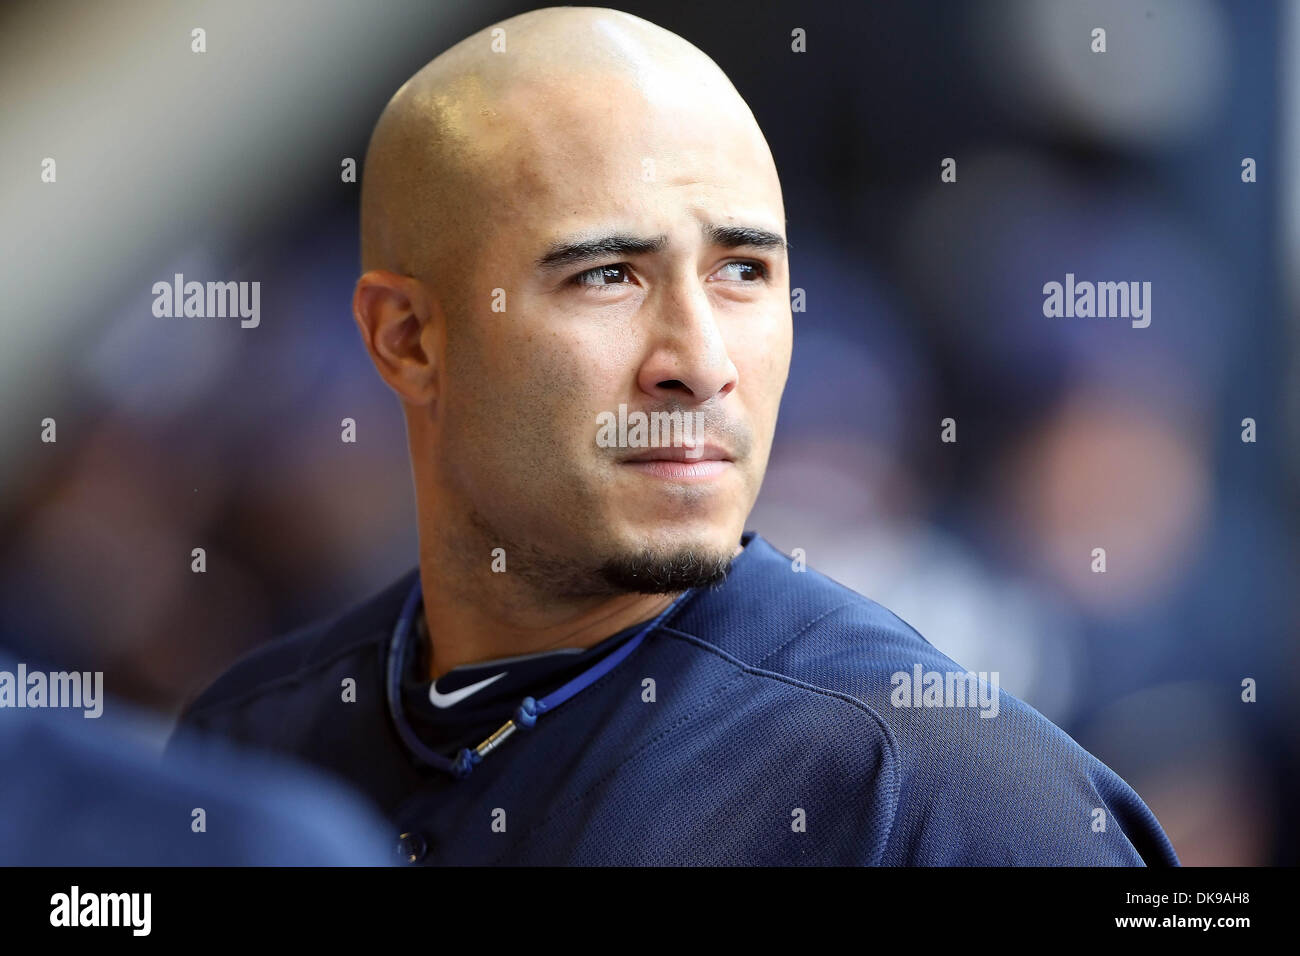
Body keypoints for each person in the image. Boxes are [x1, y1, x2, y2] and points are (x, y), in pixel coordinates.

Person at [167, 6, 1178, 866]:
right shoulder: (245, 742)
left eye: (742, 271)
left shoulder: (947, 792)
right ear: (408, 338)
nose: (699, 359)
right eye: (605, 274)